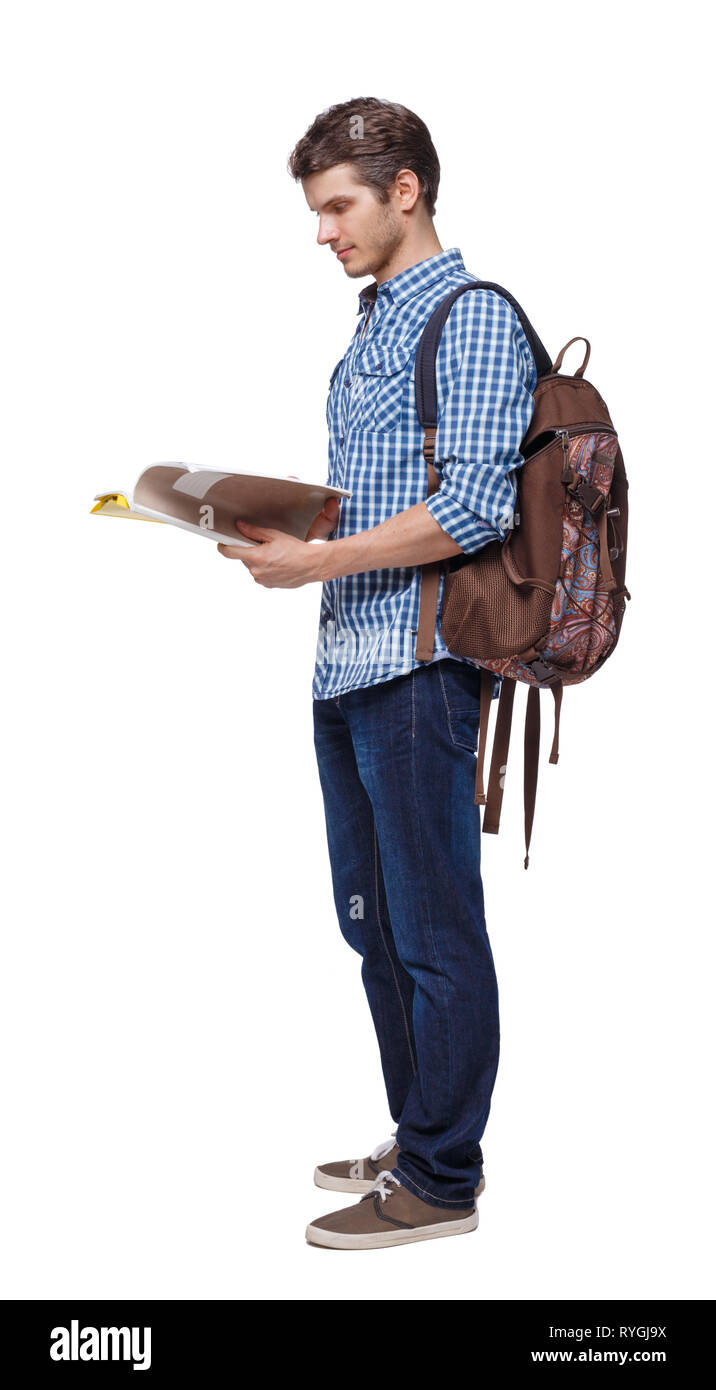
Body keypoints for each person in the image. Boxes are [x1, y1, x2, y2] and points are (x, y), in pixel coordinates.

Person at [218, 97, 537, 1249]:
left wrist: (321, 559)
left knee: (434, 931)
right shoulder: (366, 333)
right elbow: (390, 499)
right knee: (373, 926)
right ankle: (419, 1130)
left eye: (339, 206)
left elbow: (472, 507)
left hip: (422, 665)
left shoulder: (473, 317)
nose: (323, 232)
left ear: (406, 190)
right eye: (316, 211)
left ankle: (443, 1182)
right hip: (345, 666)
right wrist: (273, 524)